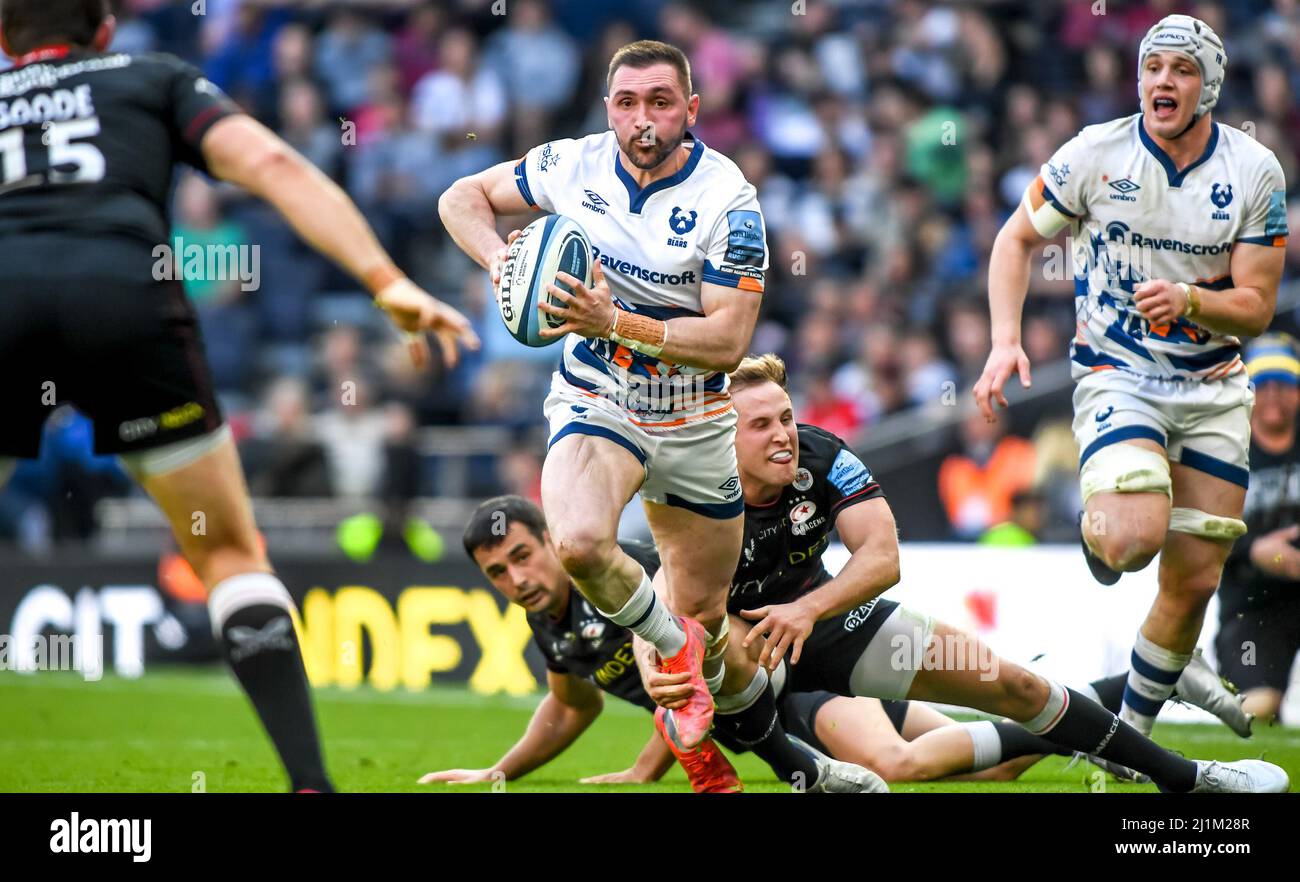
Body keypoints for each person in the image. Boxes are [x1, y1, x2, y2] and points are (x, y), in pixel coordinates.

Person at [0, 0, 479, 792]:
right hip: (122, 296)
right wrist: (385, 282)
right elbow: (277, 168)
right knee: (227, 555)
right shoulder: (151, 75)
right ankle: (309, 783)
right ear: (107, 30)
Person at [644, 355, 1284, 792]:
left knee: (1016, 689)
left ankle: (1190, 777)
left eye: (784, 416)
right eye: (762, 426)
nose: (784, 435)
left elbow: (883, 557)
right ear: (723, 438)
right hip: (748, 642)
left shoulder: (820, 452)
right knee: (717, 658)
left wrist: (811, 609)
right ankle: (806, 770)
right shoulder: (690, 487)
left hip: (830, 618)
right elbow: (666, 598)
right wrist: (661, 663)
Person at [439, 39, 769, 749]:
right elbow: (460, 197)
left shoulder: (730, 201)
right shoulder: (570, 163)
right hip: (601, 396)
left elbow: (728, 341)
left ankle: (759, 718)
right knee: (582, 543)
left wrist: (613, 320)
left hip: (696, 416)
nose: (642, 119)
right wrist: (503, 262)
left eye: (659, 101)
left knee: (709, 616)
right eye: (626, 103)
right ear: (608, 110)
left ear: (691, 109)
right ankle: (672, 646)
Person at [974, 14, 1289, 738]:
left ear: (1208, 86)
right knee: (1130, 540)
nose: (1161, 82)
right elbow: (1016, 238)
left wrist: (1190, 300)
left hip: (1213, 387)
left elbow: (1257, 306)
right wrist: (1002, 341)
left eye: (1180, 70)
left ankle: (1130, 742)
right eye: (1152, 68)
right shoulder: (1095, 152)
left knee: (1195, 581)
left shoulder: (1254, 171)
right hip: (1122, 374)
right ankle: (1099, 532)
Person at [420, 495, 886, 792]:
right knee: (928, 755)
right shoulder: (544, 620)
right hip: (752, 723)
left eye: (522, 557)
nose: (517, 579)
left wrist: (646, 768)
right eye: (498, 572)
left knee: (894, 762)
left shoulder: (629, 570)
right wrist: (497, 771)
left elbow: (689, 657)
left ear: (551, 541)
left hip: (793, 690)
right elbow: (569, 708)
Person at [1216, 333, 1300, 724]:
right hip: (1250, 611)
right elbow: (1194, 532)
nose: (1272, 395)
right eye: (1261, 385)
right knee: (1258, 708)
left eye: (1284, 384)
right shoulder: (1223, 451)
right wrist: (1254, 551)